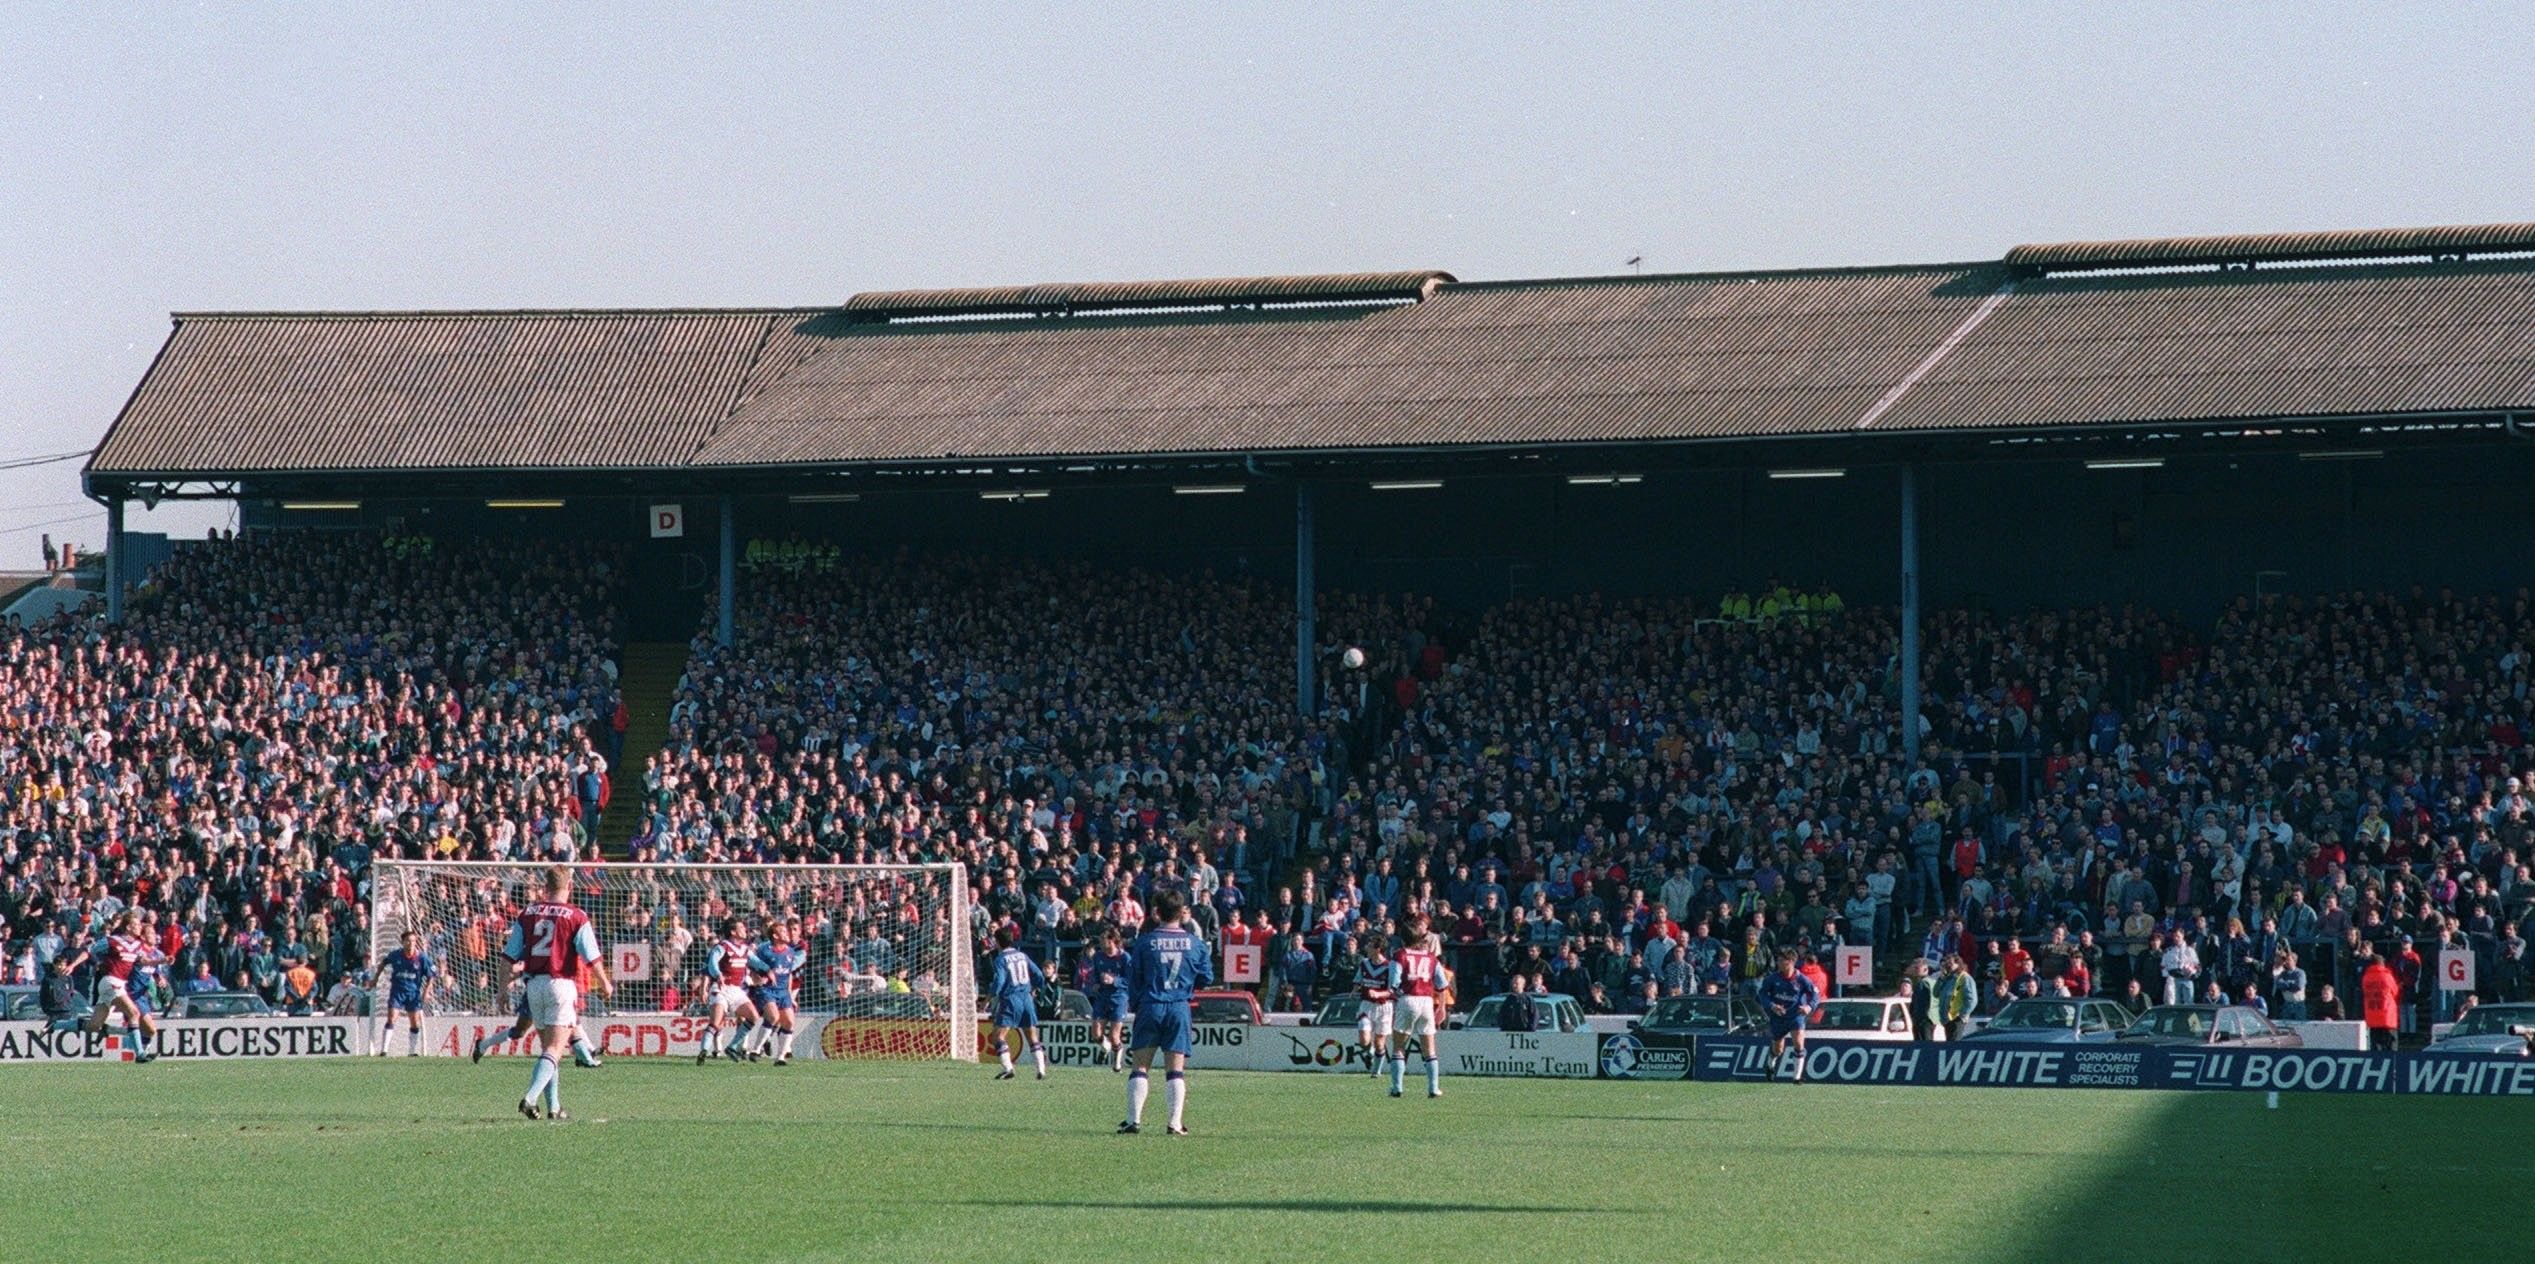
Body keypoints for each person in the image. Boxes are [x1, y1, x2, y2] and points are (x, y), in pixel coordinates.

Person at [503, 867, 611, 1120]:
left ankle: (553, 1107)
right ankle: (530, 1098)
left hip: (533, 986)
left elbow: (508, 956)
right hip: (560, 984)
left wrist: (501, 990)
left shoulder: (527, 913)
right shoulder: (576, 916)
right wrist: (605, 983)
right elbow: (591, 956)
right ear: (570, 886)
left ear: (545, 887)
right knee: (554, 1049)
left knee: (549, 1049)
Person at [1120, 891, 1212, 1136]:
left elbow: (1133, 978)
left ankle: (1133, 1120)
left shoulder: (1145, 942)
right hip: (1179, 1006)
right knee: (1175, 1069)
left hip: (1151, 1005)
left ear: (1156, 912)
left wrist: (1138, 1001)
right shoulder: (1196, 944)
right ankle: (1174, 1123)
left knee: (1140, 1066)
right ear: (1182, 913)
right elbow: (1206, 977)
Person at [68, 912, 163, 1062]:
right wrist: (73, 965)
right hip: (110, 981)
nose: (140, 927)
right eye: (136, 924)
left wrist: (162, 961)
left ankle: (55, 1025)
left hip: (118, 985)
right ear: (128, 927)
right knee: (133, 1013)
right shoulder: (112, 940)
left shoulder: (138, 945)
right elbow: (89, 951)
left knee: (94, 1025)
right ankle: (140, 1054)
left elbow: (144, 961)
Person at [1389, 914, 1447, 1100]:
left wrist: (1397, 998)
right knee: (1429, 1049)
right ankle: (1434, 1088)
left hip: (1408, 999)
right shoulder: (1431, 958)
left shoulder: (1399, 955)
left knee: (1399, 1046)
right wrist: (1442, 1007)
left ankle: (1397, 1088)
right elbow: (1442, 984)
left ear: (1403, 938)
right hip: (1427, 1001)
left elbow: (1393, 983)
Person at [695, 917, 762, 1065]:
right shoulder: (722, 947)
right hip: (721, 989)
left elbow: (757, 962)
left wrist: (769, 969)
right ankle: (703, 1052)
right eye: (741, 927)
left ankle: (732, 1047)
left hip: (737, 990)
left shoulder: (745, 948)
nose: (745, 929)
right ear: (733, 931)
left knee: (753, 1017)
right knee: (716, 1023)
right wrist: (716, 976)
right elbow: (711, 964)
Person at [987, 925, 1049, 1081]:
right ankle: (1041, 1069)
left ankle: (1008, 1068)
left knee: (997, 1037)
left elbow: (999, 981)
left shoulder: (1000, 959)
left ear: (998, 942)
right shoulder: (1022, 955)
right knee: (1032, 1035)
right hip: (1026, 998)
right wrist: (1035, 988)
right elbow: (1039, 975)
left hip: (1010, 999)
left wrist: (990, 997)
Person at [746, 918, 806, 1066]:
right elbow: (752, 968)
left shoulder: (791, 952)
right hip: (767, 990)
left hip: (783, 992)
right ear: (775, 936)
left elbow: (789, 973)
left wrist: (789, 994)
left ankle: (780, 1057)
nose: (787, 934)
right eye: (783, 931)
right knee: (773, 1016)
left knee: (789, 1022)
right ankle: (756, 1049)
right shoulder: (764, 950)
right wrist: (758, 980)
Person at [1758, 952, 1821, 1083]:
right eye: (1778, 961)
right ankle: (1770, 1064)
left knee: (1798, 1043)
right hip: (1778, 1017)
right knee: (1778, 1049)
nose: (1779, 964)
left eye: (1782, 961)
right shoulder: (1772, 979)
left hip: (1795, 1016)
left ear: (1791, 962)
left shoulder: (1802, 979)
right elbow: (1762, 994)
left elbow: (1815, 995)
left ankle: (1796, 1078)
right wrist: (1771, 1005)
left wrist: (1809, 1007)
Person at [378, 932, 440, 1056]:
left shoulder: (422, 958)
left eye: (413, 941)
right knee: (391, 1018)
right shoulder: (395, 955)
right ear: (402, 942)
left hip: (413, 994)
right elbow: (383, 963)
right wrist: (375, 979)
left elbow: (431, 976)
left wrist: (426, 992)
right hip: (397, 992)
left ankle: (411, 1052)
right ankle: (384, 1050)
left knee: (415, 1023)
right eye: (408, 941)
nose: (411, 943)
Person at [1351, 932, 1399, 1079]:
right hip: (1366, 1005)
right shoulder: (1364, 963)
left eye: (1370, 946)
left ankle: (1376, 1071)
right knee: (1364, 1040)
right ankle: (1369, 1050)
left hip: (1384, 1007)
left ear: (1378, 949)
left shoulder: (1390, 966)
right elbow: (1359, 979)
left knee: (1380, 1043)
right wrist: (1354, 990)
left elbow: (1393, 991)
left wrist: (1378, 994)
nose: (1367, 948)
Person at [1085, 930, 1133, 1073]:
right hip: (1102, 997)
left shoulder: (1125, 958)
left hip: (1119, 998)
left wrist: (1115, 981)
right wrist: (1095, 983)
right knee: (1095, 1033)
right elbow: (1094, 975)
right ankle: (1105, 1046)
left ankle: (1117, 1062)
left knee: (1114, 1035)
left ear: (1112, 941)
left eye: (1103, 940)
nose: (1101, 943)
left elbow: (1130, 980)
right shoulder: (1098, 956)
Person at [2360, 952, 2401, 1051]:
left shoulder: (2366, 977)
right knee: (2391, 1044)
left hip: (2372, 1015)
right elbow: (2395, 991)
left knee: (2376, 1045)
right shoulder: (2386, 976)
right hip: (2387, 1016)